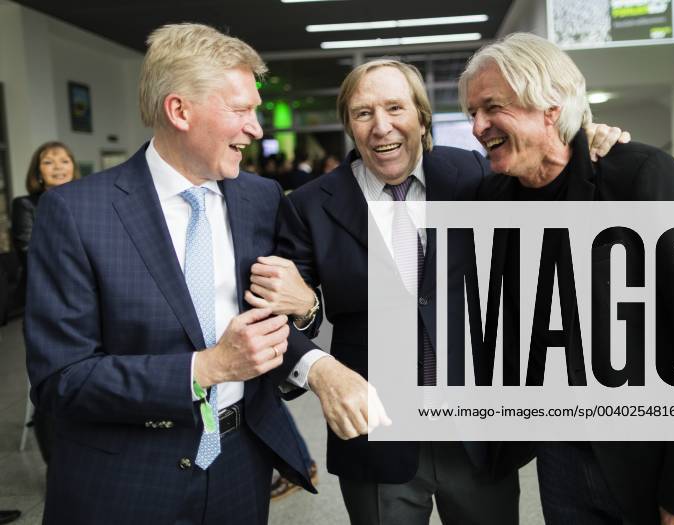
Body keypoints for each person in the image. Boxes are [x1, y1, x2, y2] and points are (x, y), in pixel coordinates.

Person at [247, 58, 628, 524]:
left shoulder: (475, 173)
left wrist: (587, 143)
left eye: (395, 108)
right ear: (349, 125)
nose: (381, 126)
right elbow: (278, 316)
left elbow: (547, 183)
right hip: (376, 440)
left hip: (476, 437)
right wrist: (317, 353)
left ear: (422, 117)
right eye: (363, 113)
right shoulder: (309, 206)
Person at [24, 23, 322, 525]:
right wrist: (205, 368)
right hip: (124, 480)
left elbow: (277, 324)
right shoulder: (75, 213)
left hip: (239, 468)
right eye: (241, 110)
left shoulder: (260, 199)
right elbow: (61, 380)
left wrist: (308, 308)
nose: (257, 130)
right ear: (179, 110)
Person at [459, 32, 674, 525]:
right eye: (471, 113)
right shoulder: (493, 199)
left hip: (651, 450)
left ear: (549, 107)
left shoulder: (641, 178)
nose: (477, 126)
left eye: (491, 108)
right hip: (560, 453)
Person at [12, 141, 80, 466]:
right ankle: (58, 469)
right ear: (37, 171)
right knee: (53, 386)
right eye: (48, 162)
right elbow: (31, 253)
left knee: (92, 383)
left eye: (64, 160)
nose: (57, 167)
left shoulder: (87, 200)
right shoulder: (25, 205)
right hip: (46, 308)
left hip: (89, 306)